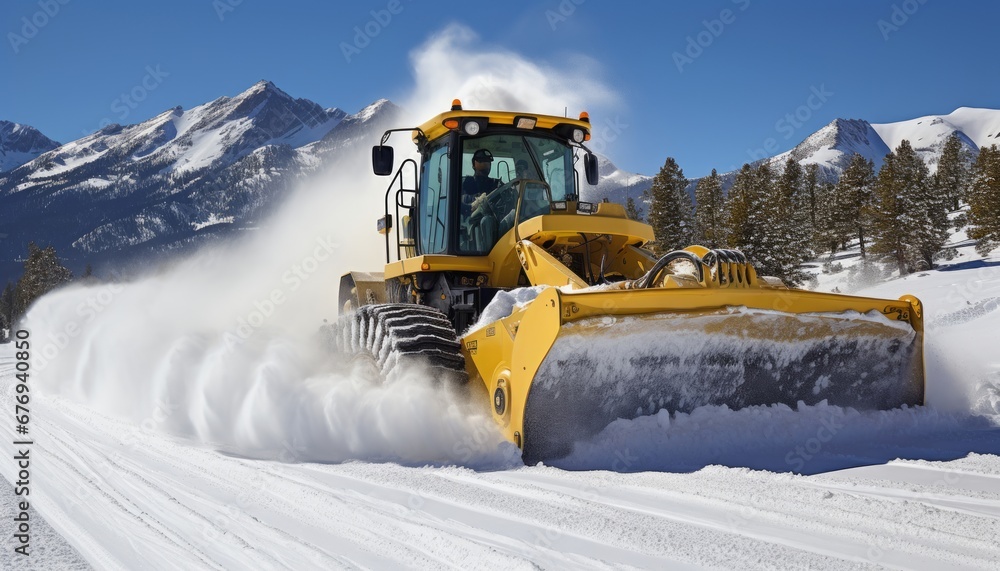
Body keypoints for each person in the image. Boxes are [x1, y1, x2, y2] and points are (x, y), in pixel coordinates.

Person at [461, 149, 500, 218]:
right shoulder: (464, 183)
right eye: (482, 161)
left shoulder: (496, 184)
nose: (485, 164)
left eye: (488, 161)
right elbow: (456, 203)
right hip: (469, 223)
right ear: (474, 164)